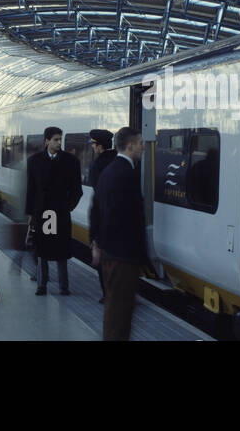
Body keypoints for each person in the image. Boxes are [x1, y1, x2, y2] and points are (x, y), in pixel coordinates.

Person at [91, 127, 149, 340]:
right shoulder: (125, 173)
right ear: (130, 145)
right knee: (120, 315)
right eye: (141, 142)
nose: (144, 147)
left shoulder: (109, 171)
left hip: (114, 254)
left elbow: (95, 209)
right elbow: (121, 217)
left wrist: (97, 243)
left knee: (117, 312)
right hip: (122, 256)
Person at [24, 126, 82, 295]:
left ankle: (64, 286)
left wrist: (67, 206)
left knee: (61, 250)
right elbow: (31, 189)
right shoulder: (34, 161)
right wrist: (30, 213)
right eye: (56, 139)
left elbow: (77, 190)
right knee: (42, 249)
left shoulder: (71, 162)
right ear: (47, 141)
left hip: (60, 212)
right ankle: (42, 285)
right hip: (42, 212)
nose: (59, 143)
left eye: (60, 139)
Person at [86, 129, 118, 301]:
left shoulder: (97, 166)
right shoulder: (120, 161)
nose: (92, 147)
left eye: (93, 144)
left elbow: (98, 198)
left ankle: (108, 295)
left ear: (98, 146)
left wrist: (94, 236)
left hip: (104, 221)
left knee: (104, 263)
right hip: (120, 221)